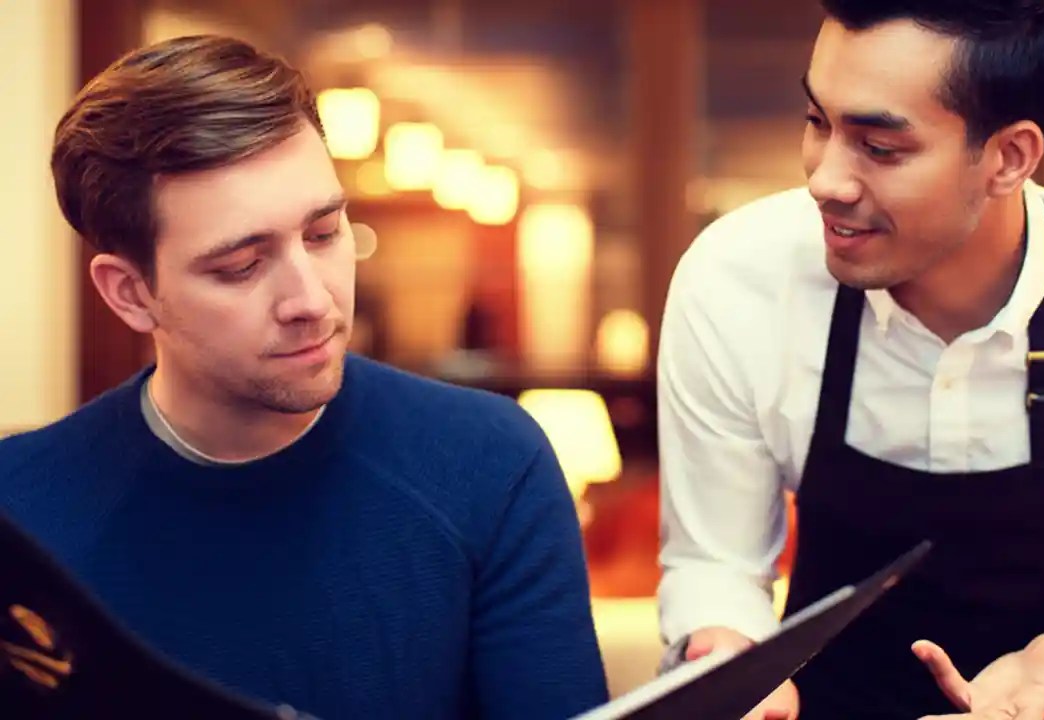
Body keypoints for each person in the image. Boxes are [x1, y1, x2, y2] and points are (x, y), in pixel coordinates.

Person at [655, 2, 1044, 719]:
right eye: (818, 122)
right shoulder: (736, 281)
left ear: (1009, 157)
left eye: (879, 148)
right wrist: (728, 656)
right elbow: (713, 562)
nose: (824, 179)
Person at [0, 34, 608, 720]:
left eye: (324, 234)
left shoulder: (490, 464)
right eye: (241, 267)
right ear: (130, 294)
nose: (312, 300)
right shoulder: (17, 512)